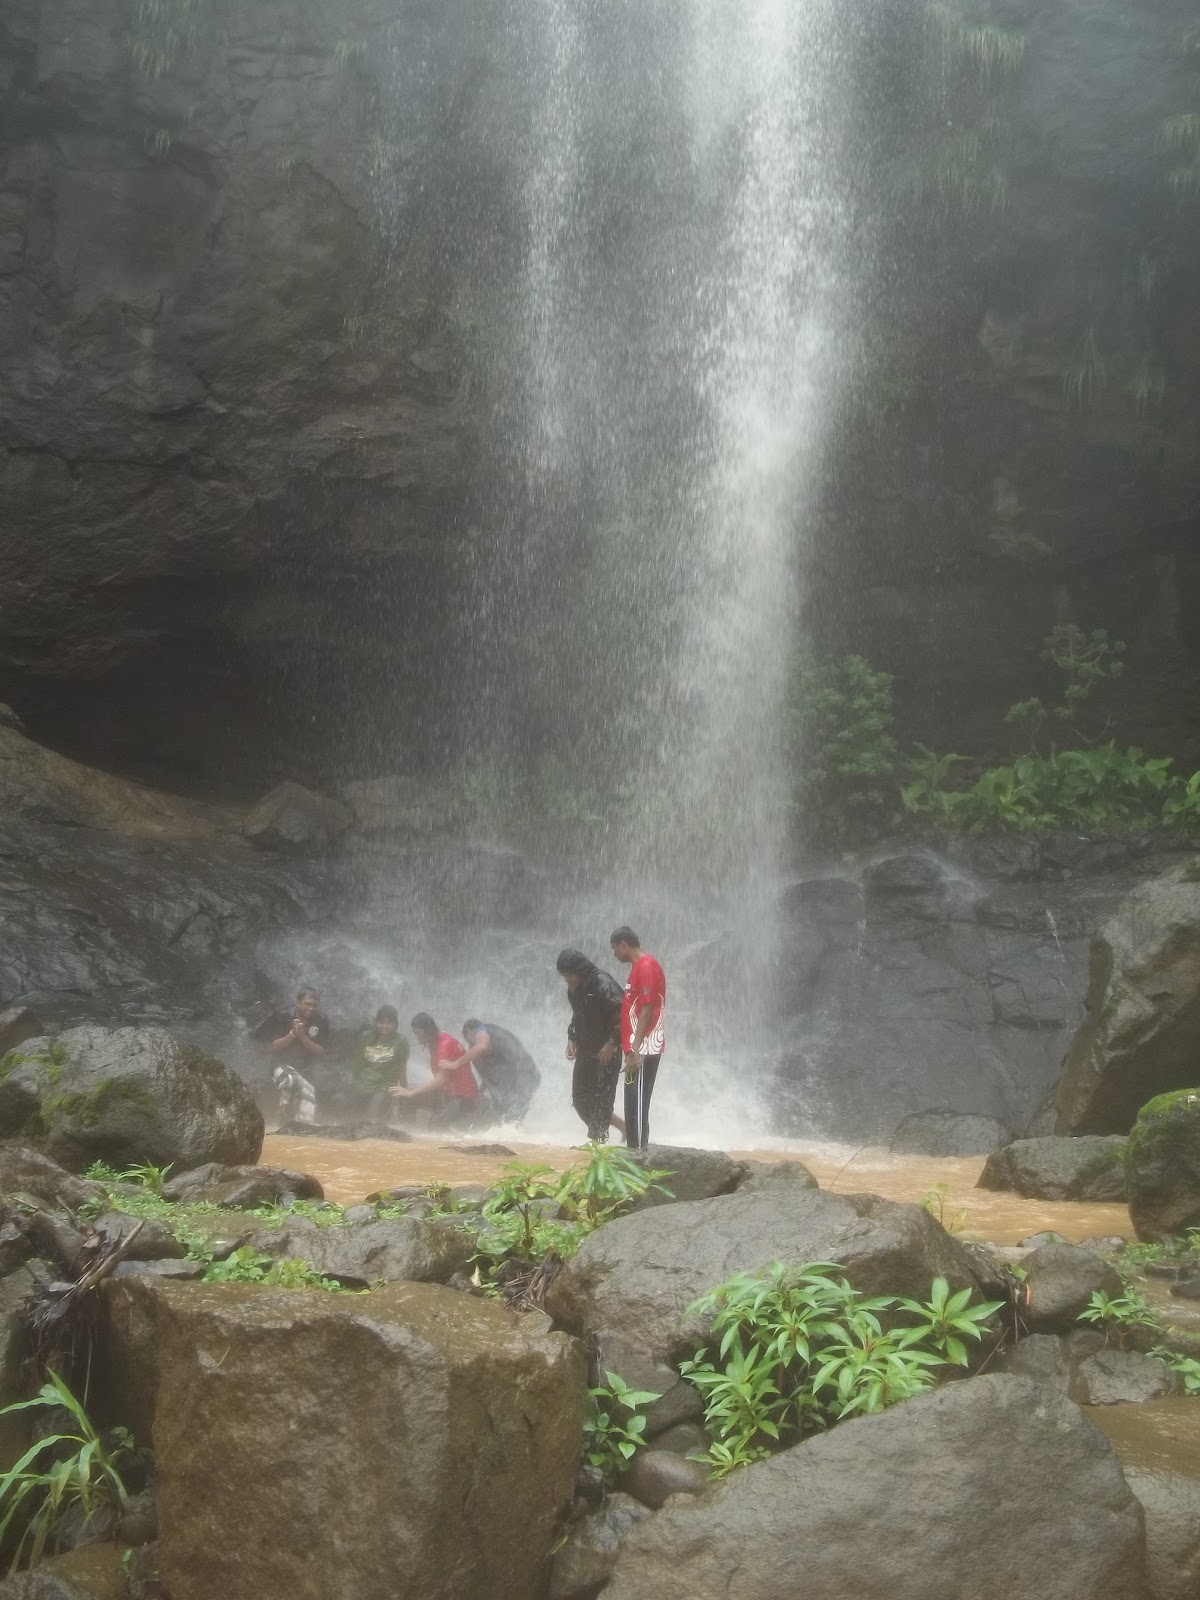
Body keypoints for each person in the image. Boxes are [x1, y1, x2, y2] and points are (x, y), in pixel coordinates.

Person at [556, 948, 623, 1142]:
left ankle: (598, 1146)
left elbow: (624, 1016)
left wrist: (612, 1042)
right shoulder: (574, 989)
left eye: (568, 975)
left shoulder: (604, 983)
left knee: (601, 1101)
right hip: (586, 1050)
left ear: (580, 969)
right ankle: (617, 1130)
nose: (566, 980)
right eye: (564, 976)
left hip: (607, 1052)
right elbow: (577, 1016)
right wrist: (572, 1038)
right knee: (580, 1099)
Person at [610, 925, 666, 1149]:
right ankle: (634, 1150)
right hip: (635, 1049)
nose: (614, 954)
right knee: (632, 1104)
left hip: (643, 1049)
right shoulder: (637, 967)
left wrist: (634, 1049)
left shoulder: (646, 966)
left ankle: (639, 1155)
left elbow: (648, 1008)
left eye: (615, 948)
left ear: (624, 944)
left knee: (638, 1102)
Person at [390, 1013, 479, 1129]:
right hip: (447, 1092)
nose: (416, 1037)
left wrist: (411, 1092)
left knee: (435, 1125)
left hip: (462, 1098)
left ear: (428, 1032)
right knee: (407, 1100)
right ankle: (409, 1135)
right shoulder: (435, 1041)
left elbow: (441, 1080)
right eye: (414, 1033)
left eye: (418, 1033)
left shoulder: (444, 1045)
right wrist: (410, 1093)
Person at [257, 986, 330, 1125]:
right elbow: (271, 1048)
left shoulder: (321, 1020)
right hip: (280, 1066)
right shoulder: (283, 1016)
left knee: (308, 1102)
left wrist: (302, 1037)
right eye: (307, 1004)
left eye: (315, 1005)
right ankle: (279, 1120)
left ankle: (300, 1129)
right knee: (291, 1079)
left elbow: (321, 1052)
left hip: (305, 1068)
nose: (311, 1008)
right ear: (298, 1002)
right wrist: (292, 1035)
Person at [454, 1020, 541, 1123]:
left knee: (512, 1117)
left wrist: (455, 1063)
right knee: (509, 1115)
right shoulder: (495, 1039)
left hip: (523, 1077)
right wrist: (481, 1091)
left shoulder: (482, 1030)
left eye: (466, 1037)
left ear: (468, 1031)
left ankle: (512, 1131)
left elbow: (482, 1046)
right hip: (530, 1075)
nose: (469, 1044)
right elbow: (489, 1079)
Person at [357, 1005, 409, 1121]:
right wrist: (354, 1080)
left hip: (384, 1085)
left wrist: (405, 1091)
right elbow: (358, 1062)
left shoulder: (400, 1041)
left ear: (396, 1024)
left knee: (372, 1113)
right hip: (363, 1082)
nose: (384, 1026)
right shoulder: (366, 1037)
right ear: (376, 1022)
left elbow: (402, 1068)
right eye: (381, 1022)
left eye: (389, 1023)